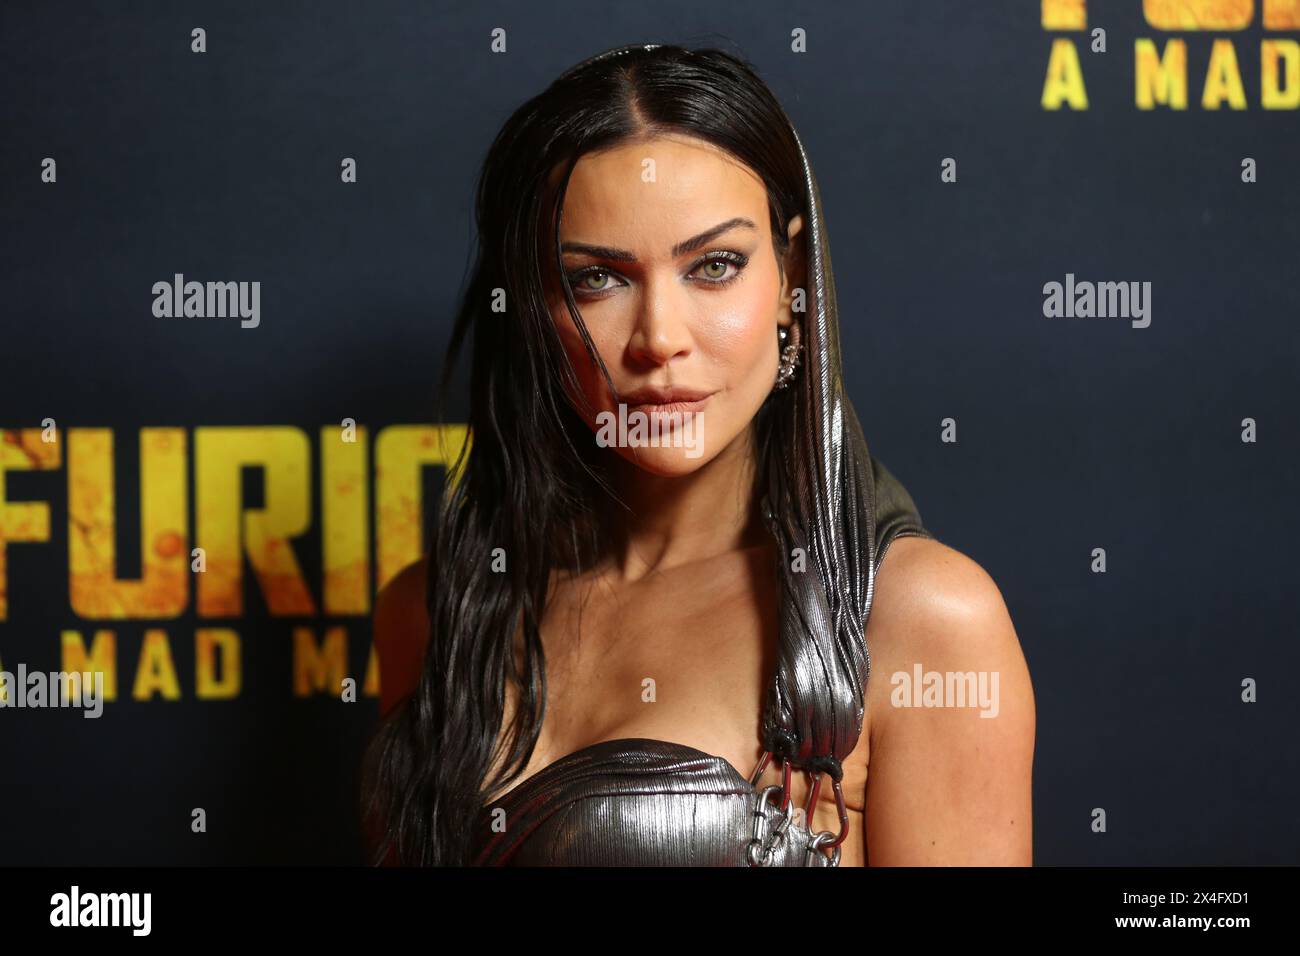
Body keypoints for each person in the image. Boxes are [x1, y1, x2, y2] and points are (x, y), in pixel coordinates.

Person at [363, 42, 1035, 866]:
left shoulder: (920, 621)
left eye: (715, 266)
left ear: (792, 281)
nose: (659, 340)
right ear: (530, 307)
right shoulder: (432, 613)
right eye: (596, 280)